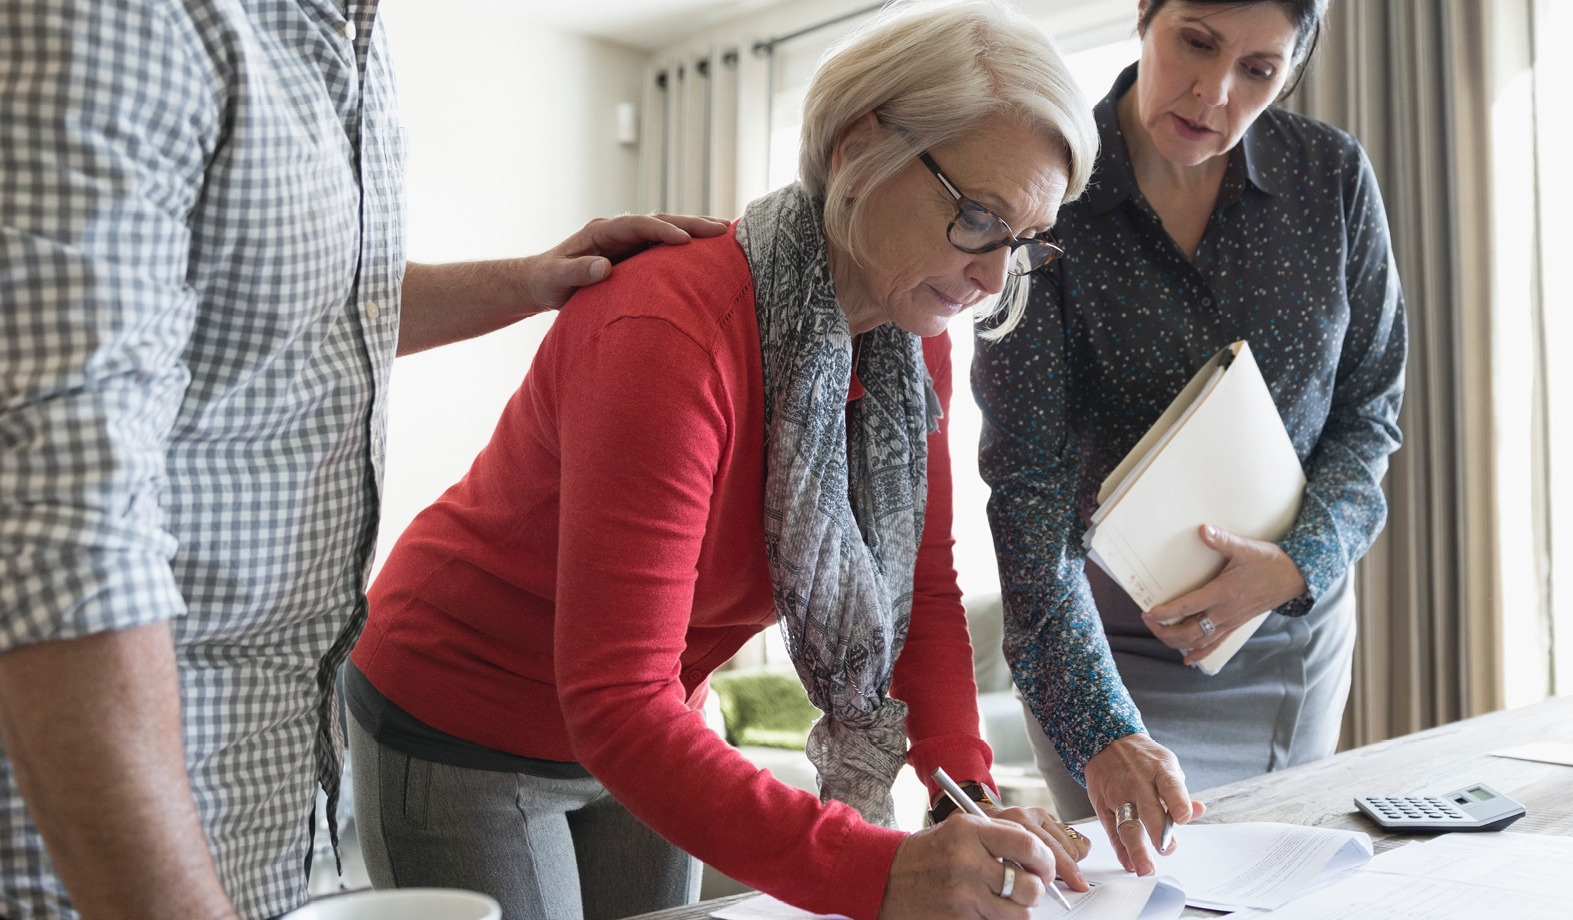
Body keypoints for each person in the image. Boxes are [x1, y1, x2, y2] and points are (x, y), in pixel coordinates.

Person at [0, 4, 724, 919]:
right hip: (45, 850)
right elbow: (57, 539)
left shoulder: (343, 36)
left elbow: (292, 297)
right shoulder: (104, 20)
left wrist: (529, 280)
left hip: (258, 810)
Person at [342, 4, 1099, 919]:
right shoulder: (669, 329)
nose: (989, 279)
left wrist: (964, 799)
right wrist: (881, 873)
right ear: (861, 150)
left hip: (649, 721)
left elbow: (921, 594)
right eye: (978, 217)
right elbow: (616, 697)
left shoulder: (910, 334)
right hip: (467, 709)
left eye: (1021, 244)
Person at [975, 0, 1407, 856]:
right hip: (1102, 649)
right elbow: (1026, 485)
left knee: (1276, 880)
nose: (1213, 92)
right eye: (1197, 43)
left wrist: (1297, 566)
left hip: (1287, 634)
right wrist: (1099, 726)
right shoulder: (1048, 186)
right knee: (1137, 889)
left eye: (1258, 70)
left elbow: (1370, 412)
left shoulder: (1332, 178)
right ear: (1146, 15)